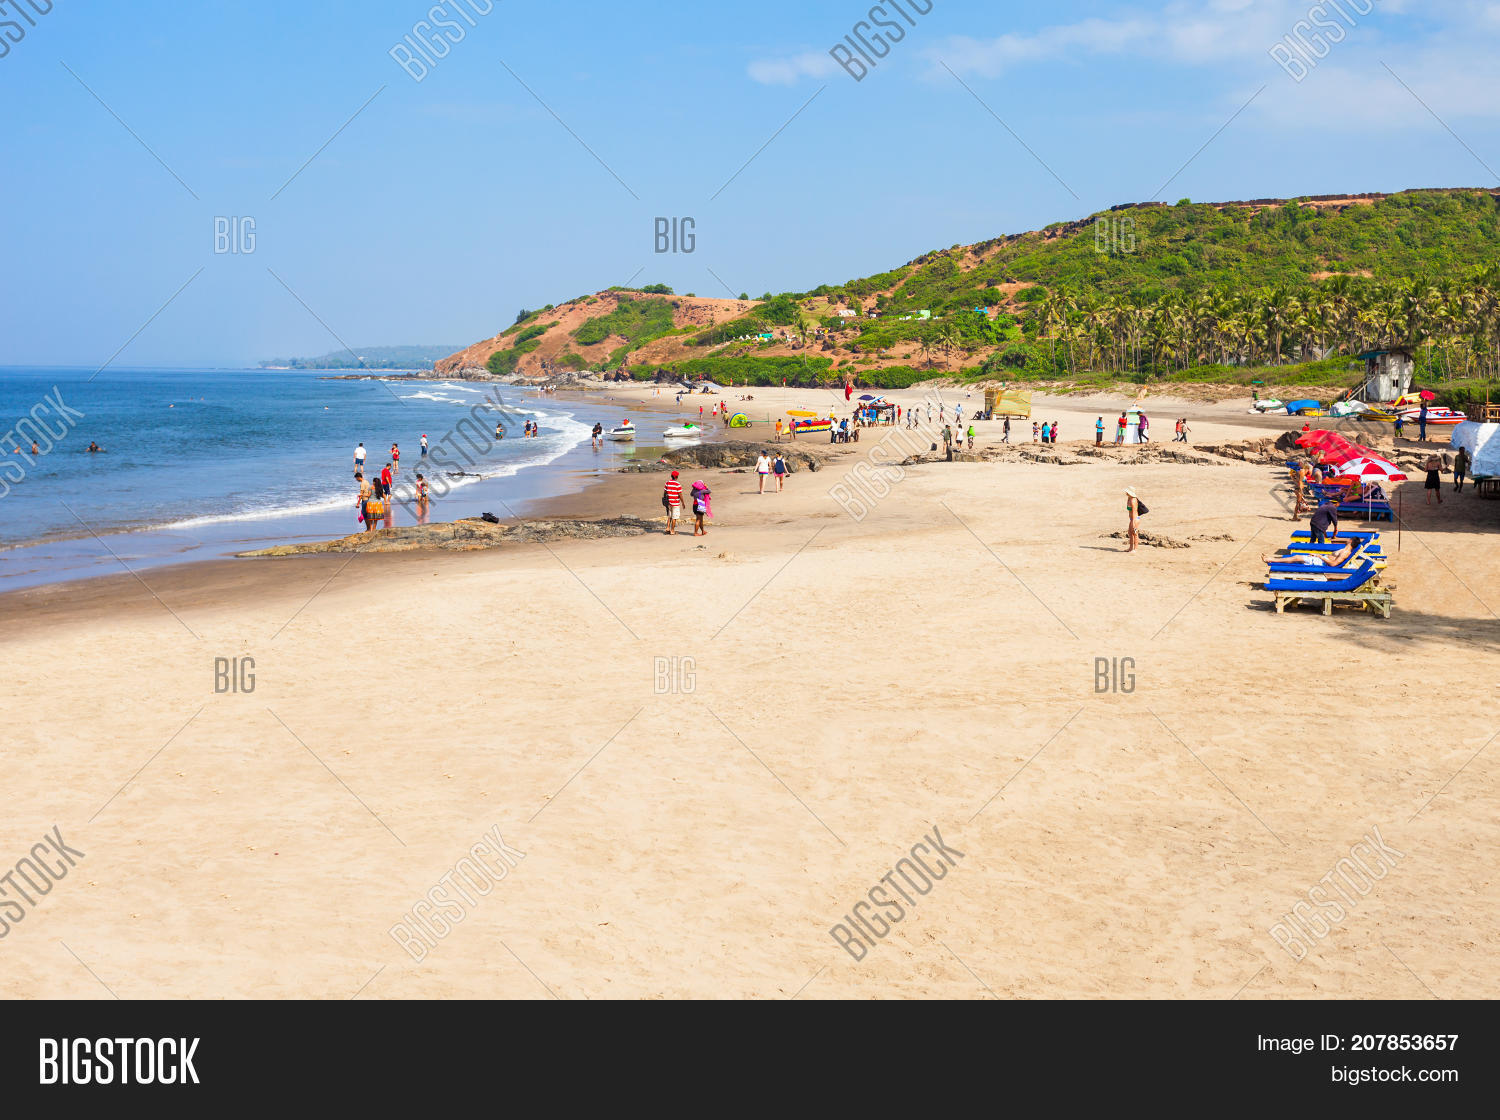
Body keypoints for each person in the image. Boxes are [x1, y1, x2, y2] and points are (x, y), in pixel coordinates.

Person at [1262, 538, 1360, 569]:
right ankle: (1271, 558)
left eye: (1349, 539)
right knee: (1296, 558)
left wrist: (1320, 556)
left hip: (1321, 562)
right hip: (1320, 560)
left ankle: (1270, 559)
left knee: (1296, 558)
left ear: (1350, 541)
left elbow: (1333, 564)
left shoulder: (1346, 552)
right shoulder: (1345, 550)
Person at [1125, 487, 1141, 553]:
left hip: (1135, 519)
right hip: (1132, 519)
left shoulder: (1133, 500)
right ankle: (1131, 548)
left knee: (1135, 533)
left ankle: (1135, 549)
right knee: (1130, 533)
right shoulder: (1129, 498)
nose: (1125, 492)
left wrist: (1134, 522)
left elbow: (1134, 512)